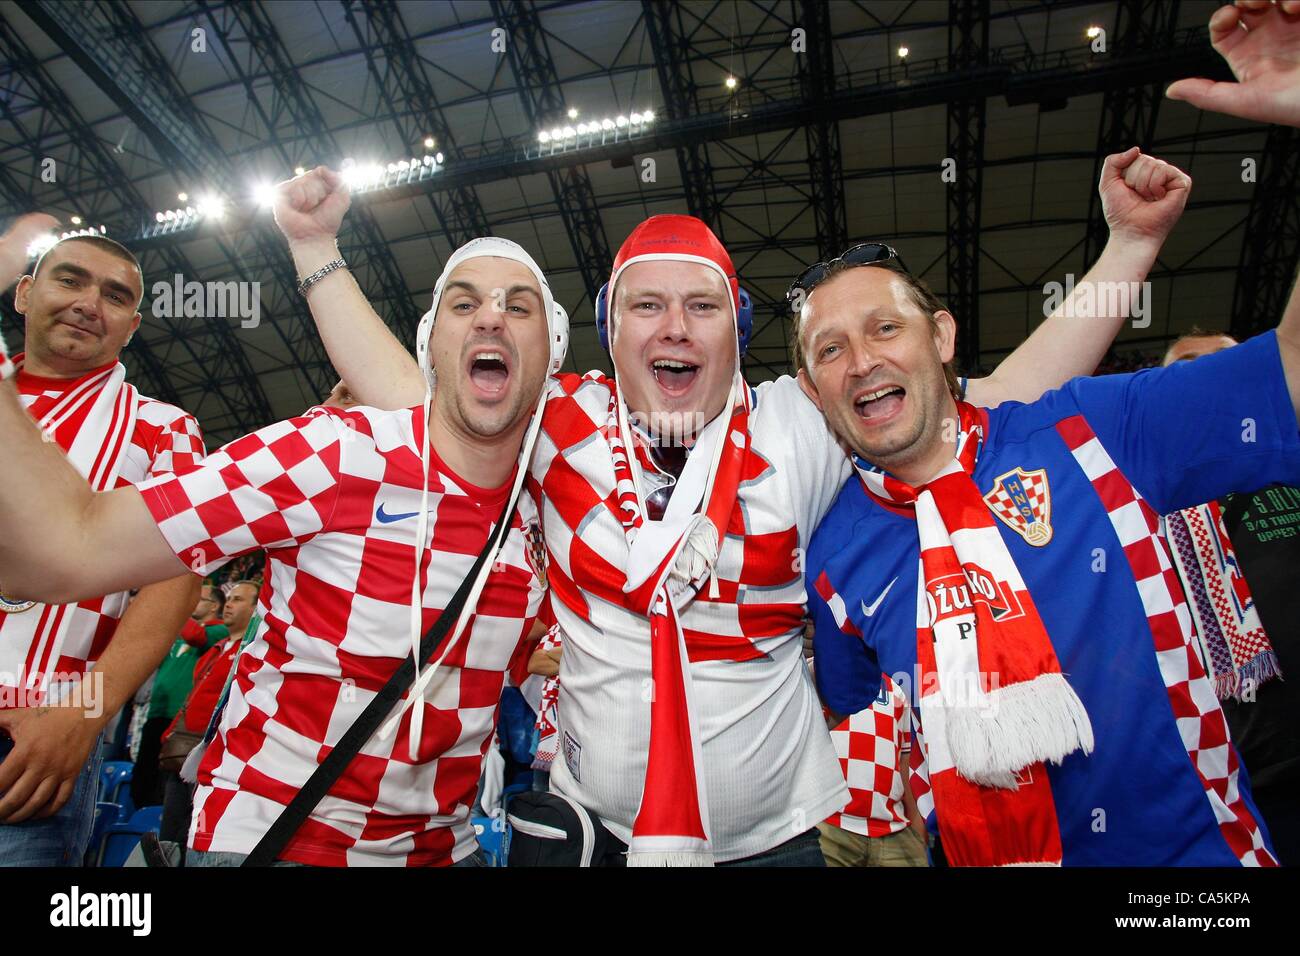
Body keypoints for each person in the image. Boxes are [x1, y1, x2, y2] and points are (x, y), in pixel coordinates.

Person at [287, 137, 1190, 863]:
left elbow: (990, 394)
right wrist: (316, 249)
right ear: (610, 334)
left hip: (779, 840)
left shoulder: (801, 423)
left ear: (737, 336)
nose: (674, 328)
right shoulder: (557, 421)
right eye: (646, 307)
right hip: (596, 833)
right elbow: (414, 396)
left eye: (701, 307)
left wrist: (1131, 247)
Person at [797, 2, 1300, 863]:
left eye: (886, 329)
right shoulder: (833, 555)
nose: (862, 363)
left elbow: (1291, 374)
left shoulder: (1092, 429)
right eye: (829, 350)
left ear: (942, 338)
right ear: (811, 390)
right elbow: (856, 709)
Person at [0, 228, 567, 865]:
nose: (491, 316)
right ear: (429, 345)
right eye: (463, 305)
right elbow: (71, 550)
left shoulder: (549, 503)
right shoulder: (330, 453)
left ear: (553, 354)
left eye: (519, 308)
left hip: (443, 852)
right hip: (268, 843)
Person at [0, 221, 205, 866]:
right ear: (24, 294)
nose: (91, 303)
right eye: (70, 279)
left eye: (116, 297)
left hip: (38, 735)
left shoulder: (162, 431)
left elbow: (173, 581)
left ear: (132, 325)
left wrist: (84, 716)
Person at [1160, 329, 1300, 864]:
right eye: (1187, 367)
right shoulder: (1144, 497)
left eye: (1222, 362)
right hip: (1242, 774)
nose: (1205, 376)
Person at [157, 581, 258, 855]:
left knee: (188, 836)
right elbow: (193, 697)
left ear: (256, 608)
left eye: (238, 599)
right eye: (229, 598)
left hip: (215, 757)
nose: (229, 604)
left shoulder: (253, 652)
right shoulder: (219, 648)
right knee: (169, 835)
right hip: (183, 751)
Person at [132, 585, 229, 807]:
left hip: (179, 718)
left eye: (199, 599)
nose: (193, 602)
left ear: (214, 606)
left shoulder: (219, 631)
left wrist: (177, 606)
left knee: (164, 783)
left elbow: (196, 635)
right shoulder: (179, 634)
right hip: (156, 711)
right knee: (142, 776)